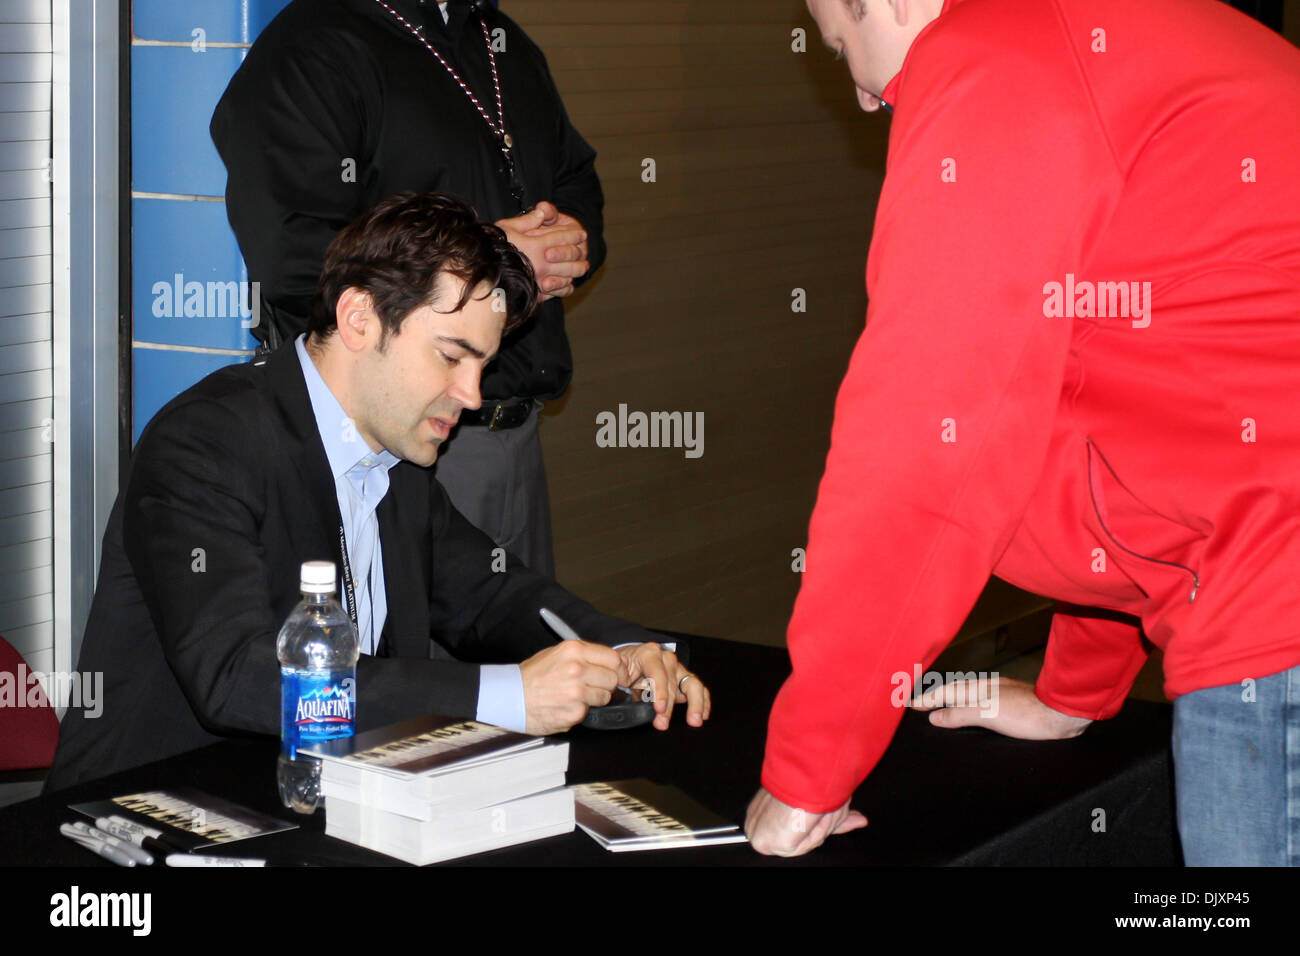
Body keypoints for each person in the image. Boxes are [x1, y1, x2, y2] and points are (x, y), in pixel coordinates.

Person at [745, 0, 1300, 864]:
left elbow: (920, 447)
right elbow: (1120, 413)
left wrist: (807, 771)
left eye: (839, 44)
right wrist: (1073, 692)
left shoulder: (992, 52)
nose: (857, 94)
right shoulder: (1083, 32)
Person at [45, 193, 707, 792]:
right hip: (144, 816)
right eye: (452, 357)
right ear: (360, 318)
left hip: (324, 802)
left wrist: (624, 652)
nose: (473, 397)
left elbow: (493, 593)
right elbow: (234, 677)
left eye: (484, 365)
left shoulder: (395, 451)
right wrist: (506, 695)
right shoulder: (206, 442)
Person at [210, 0, 605, 578]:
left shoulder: (498, 40)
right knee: (410, 664)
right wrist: (492, 256)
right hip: (390, 444)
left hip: (515, 435)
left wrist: (568, 240)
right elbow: (294, 256)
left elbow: (574, 179)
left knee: (522, 652)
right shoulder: (314, 44)